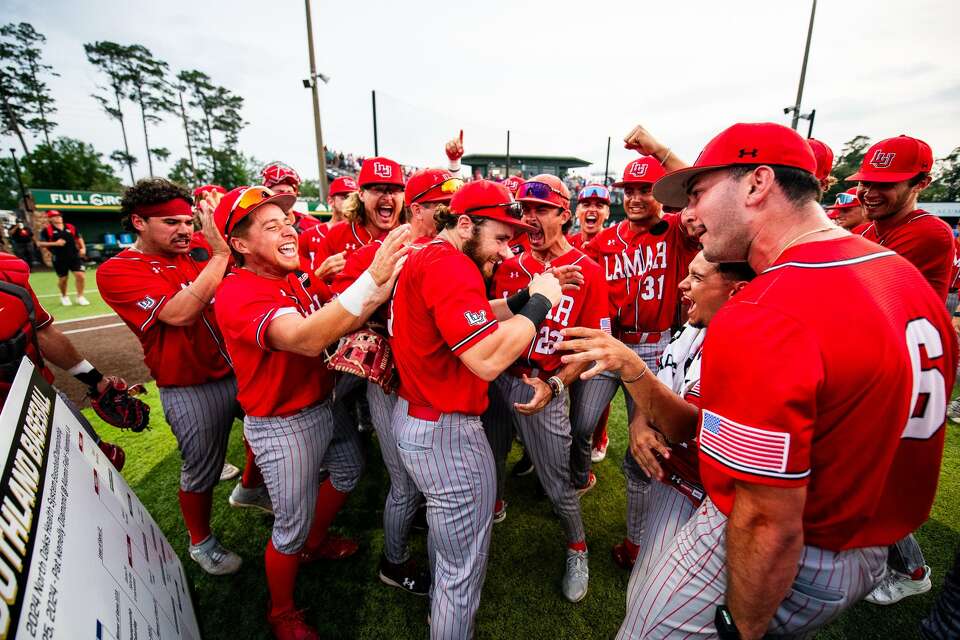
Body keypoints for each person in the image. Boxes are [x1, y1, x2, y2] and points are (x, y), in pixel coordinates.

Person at [559, 121, 957, 639]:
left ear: (757, 183)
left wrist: (741, 625)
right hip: (865, 547)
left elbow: (764, 516)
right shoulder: (899, 274)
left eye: (698, 193)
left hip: (795, 544)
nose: (691, 214)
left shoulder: (768, 305)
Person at [214, 186, 408, 640]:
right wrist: (372, 279)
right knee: (290, 525)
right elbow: (305, 337)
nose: (287, 228)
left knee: (348, 468)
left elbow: (345, 313)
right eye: (270, 225)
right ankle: (281, 611)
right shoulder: (238, 291)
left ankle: (314, 546)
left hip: (324, 401)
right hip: (283, 424)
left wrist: (385, 288)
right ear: (240, 245)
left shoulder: (296, 276)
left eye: (286, 221)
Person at [389, 180, 562, 638]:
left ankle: (437, 609)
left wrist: (520, 300)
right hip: (446, 432)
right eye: (502, 238)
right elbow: (486, 359)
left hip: (419, 416)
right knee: (460, 573)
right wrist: (543, 302)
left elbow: (465, 313)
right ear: (464, 223)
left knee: (450, 560)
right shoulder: (450, 267)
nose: (508, 253)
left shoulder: (432, 254)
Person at [97, 178, 242, 576]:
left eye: (186, 220)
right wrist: (219, 255)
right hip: (189, 384)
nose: (183, 229)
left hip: (239, 369)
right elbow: (178, 314)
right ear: (138, 223)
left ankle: (249, 489)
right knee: (202, 468)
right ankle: (201, 542)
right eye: (170, 222)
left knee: (276, 427)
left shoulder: (195, 251)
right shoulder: (118, 270)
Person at [328, 167, 463, 597]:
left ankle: (411, 532)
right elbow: (333, 287)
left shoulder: (442, 246)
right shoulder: (396, 245)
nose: (449, 214)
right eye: (441, 207)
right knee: (403, 484)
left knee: (421, 476)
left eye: (452, 207)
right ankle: (394, 560)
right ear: (419, 209)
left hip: (426, 378)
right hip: (391, 379)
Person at [485, 173, 609, 603]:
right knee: (490, 457)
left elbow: (590, 346)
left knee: (558, 483)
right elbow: (484, 321)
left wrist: (556, 384)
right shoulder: (507, 262)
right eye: (525, 210)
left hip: (543, 384)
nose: (531, 218)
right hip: (499, 375)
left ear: (564, 214)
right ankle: (495, 507)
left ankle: (578, 547)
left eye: (542, 210)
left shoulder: (588, 270)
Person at [573, 153, 699, 569]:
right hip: (611, 342)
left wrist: (656, 148)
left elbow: (698, 198)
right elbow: (574, 262)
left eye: (646, 189)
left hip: (656, 348)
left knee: (645, 451)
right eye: (630, 189)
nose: (637, 197)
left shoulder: (676, 231)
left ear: (661, 193)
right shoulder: (604, 241)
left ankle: (637, 543)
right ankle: (579, 477)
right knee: (579, 422)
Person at [620, 253, 754, 603]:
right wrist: (637, 422)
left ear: (735, 291)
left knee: (657, 603)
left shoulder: (742, 343)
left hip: (708, 498)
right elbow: (661, 390)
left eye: (696, 277)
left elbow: (684, 427)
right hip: (674, 480)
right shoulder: (695, 328)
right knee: (643, 587)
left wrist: (629, 366)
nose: (681, 284)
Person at [0, 250, 127, 470]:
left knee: (104, 463)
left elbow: (42, 332)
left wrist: (95, 380)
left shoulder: (7, 273)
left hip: (39, 397)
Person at [851, 135, 954, 302]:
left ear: (921, 184)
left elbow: (858, 293)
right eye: (865, 183)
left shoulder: (929, 232)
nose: (870, 194)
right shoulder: (862, 231)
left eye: (885, 185)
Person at [310, 156, 405, 278]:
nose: (387, 197)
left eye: (394, 190)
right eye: (378, 190)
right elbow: (312, 289)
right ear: (361, 194)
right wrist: (320, 275)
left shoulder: (411, 235)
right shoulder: (338, 234)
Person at [298, 176, 359, 271]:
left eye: (354, 198)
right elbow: (299, 273)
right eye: (345, 197)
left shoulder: (363, 234)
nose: (350, 202)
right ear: (331, 201)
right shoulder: (309, 235)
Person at [36, 210, 89, 306]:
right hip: (59, 258)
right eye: (55, 216)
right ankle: (64, 296)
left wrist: (83, 248)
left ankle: (80, 297)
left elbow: (79, 238)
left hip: (74, 256)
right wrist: (55, 243)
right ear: (50, 219)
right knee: (63, 279)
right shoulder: (47, 230)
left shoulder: (70, 227)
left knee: (80, 276)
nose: (58, 217)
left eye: (59, 216)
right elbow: (39, 243)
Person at [260, 161, 322, 232]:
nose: (286, 197)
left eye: (289, 192)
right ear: (266, 195)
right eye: (280, 192)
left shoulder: (312, 226)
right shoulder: (257, 225)